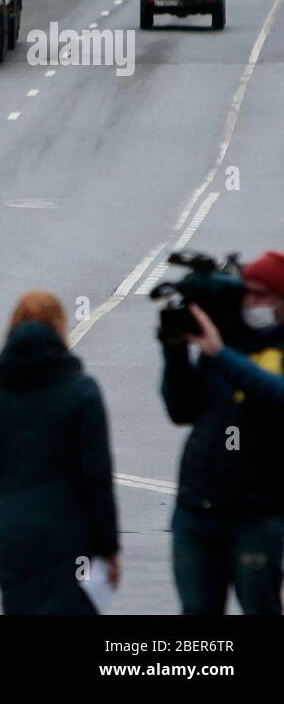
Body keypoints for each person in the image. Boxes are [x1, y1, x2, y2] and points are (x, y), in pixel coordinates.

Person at [0, 291, 121, 614]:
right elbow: (98, 476)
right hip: (70, 532)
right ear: (60, 329)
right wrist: (109, 548)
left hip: (13, 531)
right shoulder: (82, 391)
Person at [161, 250, 284, 615]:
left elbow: (276, 396)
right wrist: (176, 353)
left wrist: (219, 354)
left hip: (258, 513)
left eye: (261, 295)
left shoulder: (243, 349)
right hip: (198, 507)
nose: (251, 302)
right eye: (246, 292)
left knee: (260, 607)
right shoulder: (228, 339)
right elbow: (181, 410)